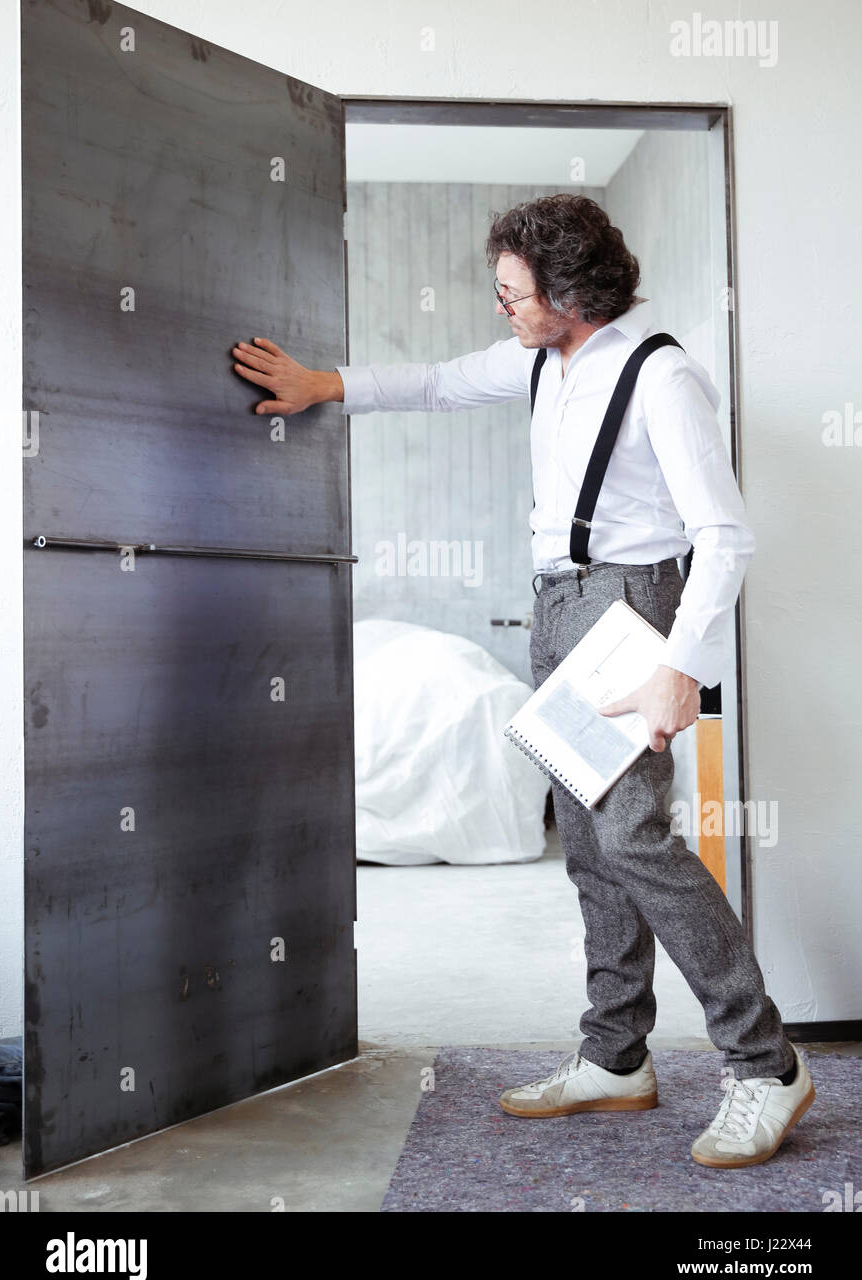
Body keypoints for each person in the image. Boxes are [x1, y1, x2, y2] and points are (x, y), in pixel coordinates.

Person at [231, 193, 814, 1169]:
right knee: (588, 841)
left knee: (631, 831)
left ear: (569, 291)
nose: (500, 307)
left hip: (632, 608)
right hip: (559, 606)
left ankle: (764, 1064)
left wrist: (681, 668)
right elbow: (435, 383)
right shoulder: (542, 358)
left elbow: (722, 533)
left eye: (511, 292)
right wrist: (318, 382)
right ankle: (612, 1054)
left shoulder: (658, 374)